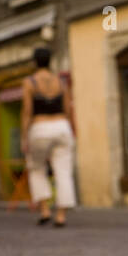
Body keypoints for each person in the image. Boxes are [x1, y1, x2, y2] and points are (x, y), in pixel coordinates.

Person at [21, 46, 76, 227]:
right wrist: (72, 129)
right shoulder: (60, 81)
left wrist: (24, 137)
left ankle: (45, 211)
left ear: (35, 62)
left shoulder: (30, 82)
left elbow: (27, 111)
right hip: (61, 126)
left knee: (37, 168)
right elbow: (68, 109)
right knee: (63, 171)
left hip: (40, 127)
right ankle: (61, 215)